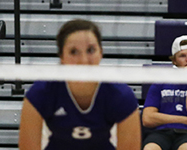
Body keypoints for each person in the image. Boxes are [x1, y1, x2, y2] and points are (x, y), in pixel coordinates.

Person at [19, 19, 140, 150]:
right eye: (73, 52)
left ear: (101, 52)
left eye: (91, 50)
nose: (83, 60)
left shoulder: (121, 96)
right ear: (61, 56)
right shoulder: (41, 92)